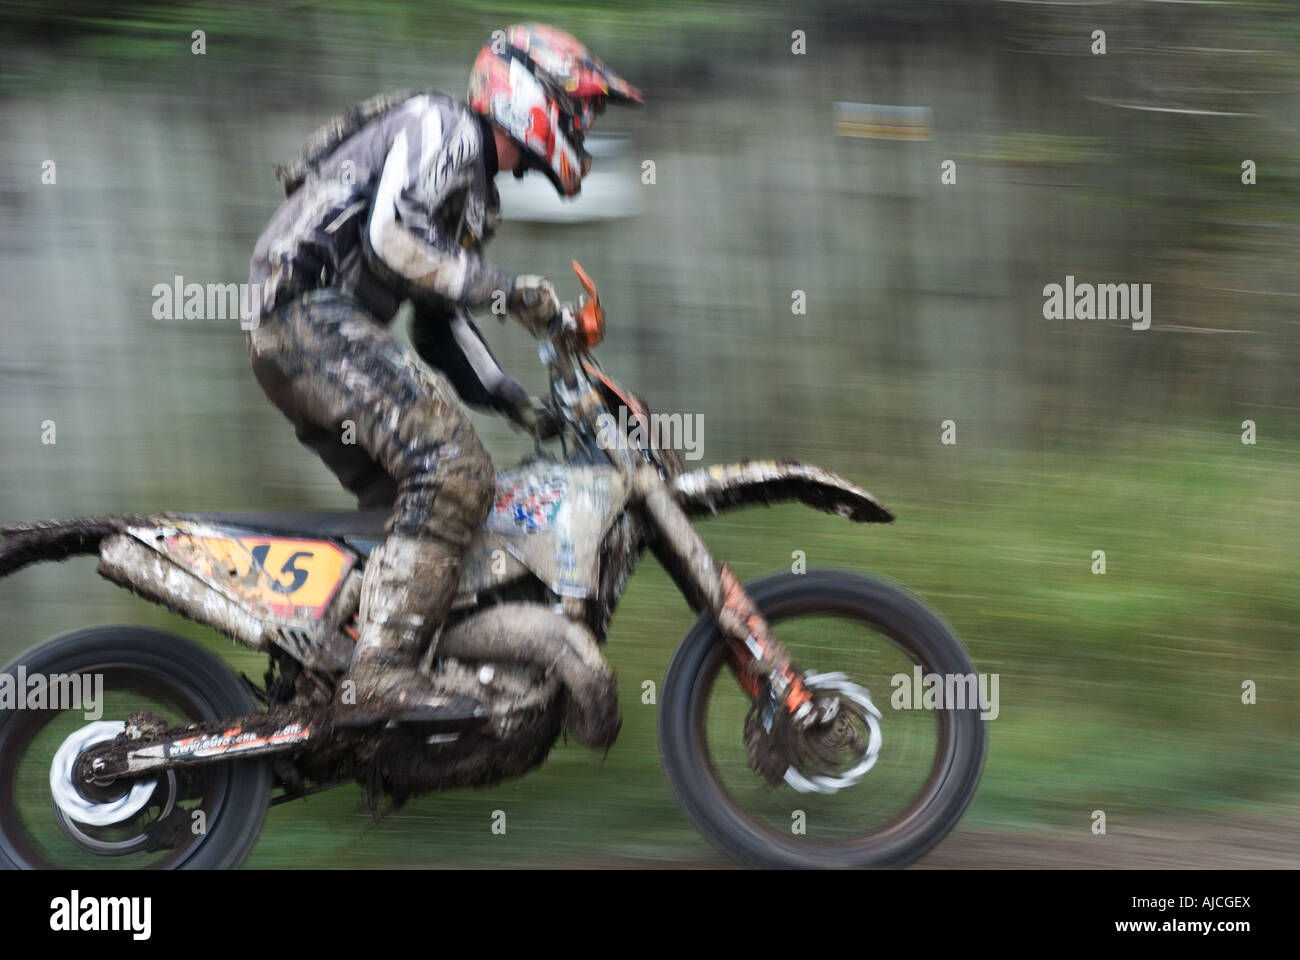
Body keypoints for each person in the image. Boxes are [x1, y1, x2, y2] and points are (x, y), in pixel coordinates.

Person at [244, 24, 642, 724]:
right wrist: (511, 290)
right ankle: (384, 674)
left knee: (416, 521)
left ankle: (345, 692)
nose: (582, 126)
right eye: (579, 109)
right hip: (306, 317)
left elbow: (440, 323)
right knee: (454, 470)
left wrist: (525, 407)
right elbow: (392, 237)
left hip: (321, 339)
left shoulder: (473, 192)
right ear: (528, 92)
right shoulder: (444, 125)